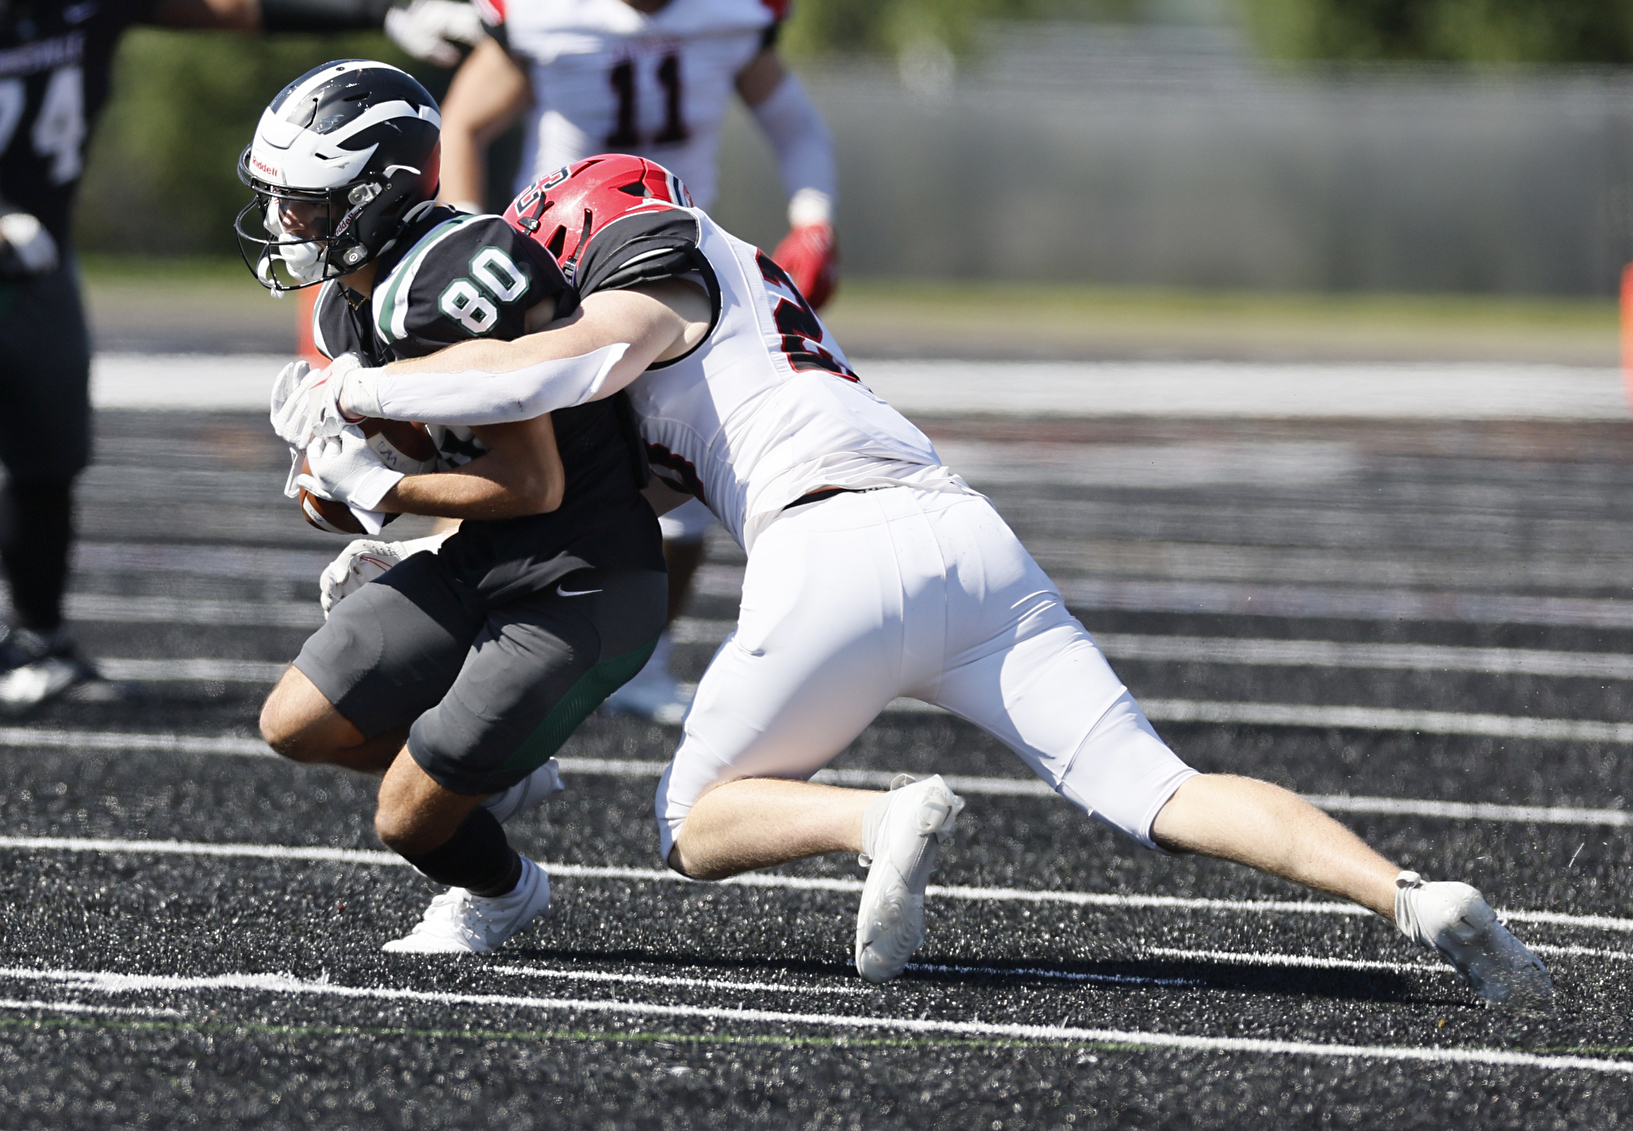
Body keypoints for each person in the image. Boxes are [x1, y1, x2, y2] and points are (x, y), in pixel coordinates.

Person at [297, 154, 1555, 1006]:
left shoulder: (652, 282)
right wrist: (405, 538)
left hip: (829, 555)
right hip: (962, 538)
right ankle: (1410, 895)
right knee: (1154, 784)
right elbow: (608, 483)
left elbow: (547, 374)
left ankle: (870, 820)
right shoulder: (738, 311)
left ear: (580, 233)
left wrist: (351, 390)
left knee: (694, 823)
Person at [243, 63, 666, 953]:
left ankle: (500, 889)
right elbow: (418, 457)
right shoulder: (348, 309)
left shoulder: (451, 281)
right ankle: (488, 770)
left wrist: (382, 491)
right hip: (487, 556)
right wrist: (339, 492)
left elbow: (532, 486)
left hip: (581, 577)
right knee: (295, 722)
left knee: (407, 818)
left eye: (308, 203)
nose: (288, 224)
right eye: (283, 200)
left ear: (375, 198)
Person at [0, 0, 489, 712]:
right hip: (17, 236)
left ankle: (41, 642)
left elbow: (232, 8)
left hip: (41, 253)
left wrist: (377, 12)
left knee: (50, 449)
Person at [434, 0, 839, 723]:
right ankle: (449, 640)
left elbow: (793, 121)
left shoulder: (730, 13)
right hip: (550, 270)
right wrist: (462, 242)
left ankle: (642, 661)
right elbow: (462, 120)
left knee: (687, 470)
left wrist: (813, 220)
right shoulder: (543, 13)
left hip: (676, 268)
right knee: (505, 457)